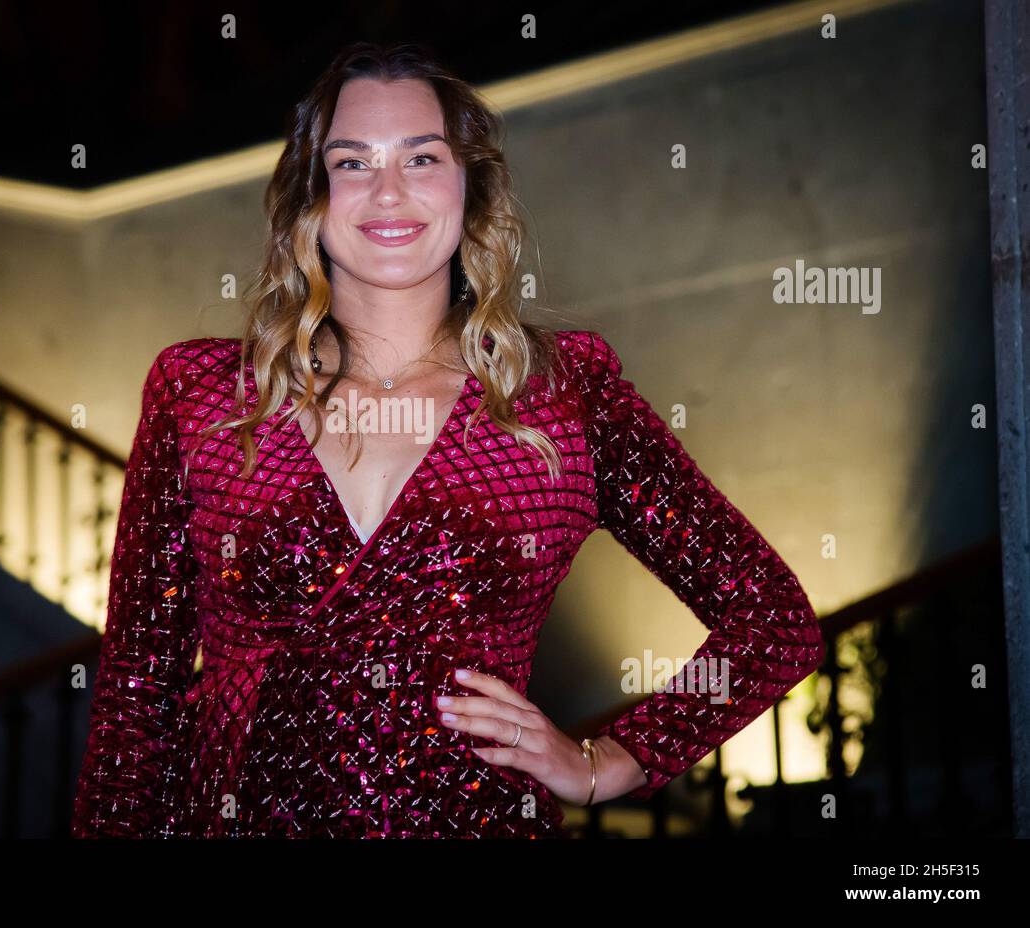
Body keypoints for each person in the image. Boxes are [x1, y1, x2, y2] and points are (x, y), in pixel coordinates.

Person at [70, 41, 825, 838]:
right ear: (310, 199)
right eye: (353, 163)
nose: (388, 192)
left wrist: (608, 763)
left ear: (471, 188)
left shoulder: (563, 396)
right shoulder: (205, 395)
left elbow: (772, 622)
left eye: (422, 158)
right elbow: (135, 695)